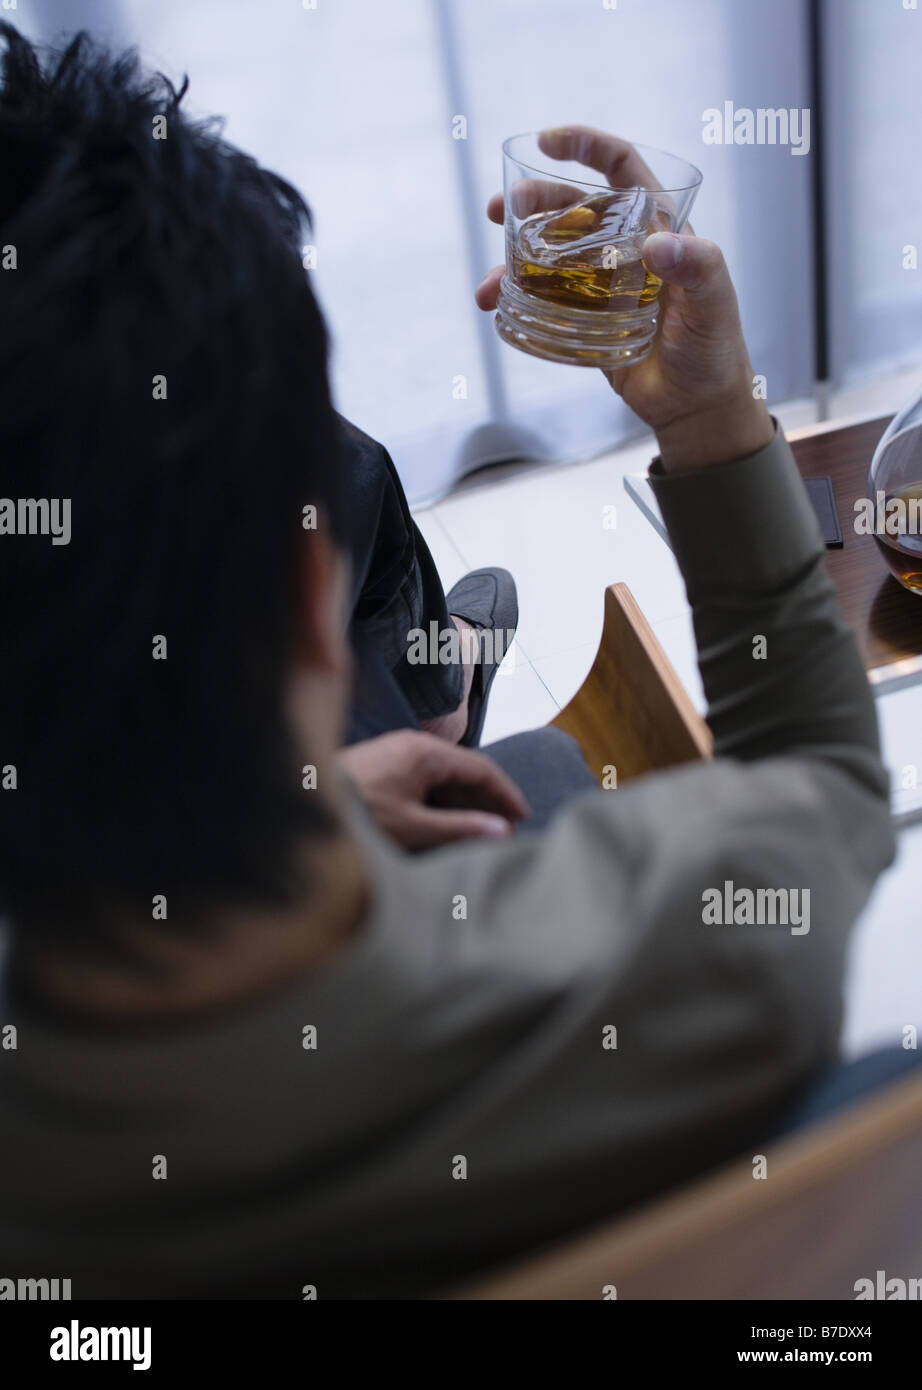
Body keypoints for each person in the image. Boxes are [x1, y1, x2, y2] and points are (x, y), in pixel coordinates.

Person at [0, 26, 895, 1299]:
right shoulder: (709, 941)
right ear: (309, 602)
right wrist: (710, 415)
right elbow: (831, 784)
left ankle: (446, 669)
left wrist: (322, 790)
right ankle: (453, 667)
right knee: (511, 735)